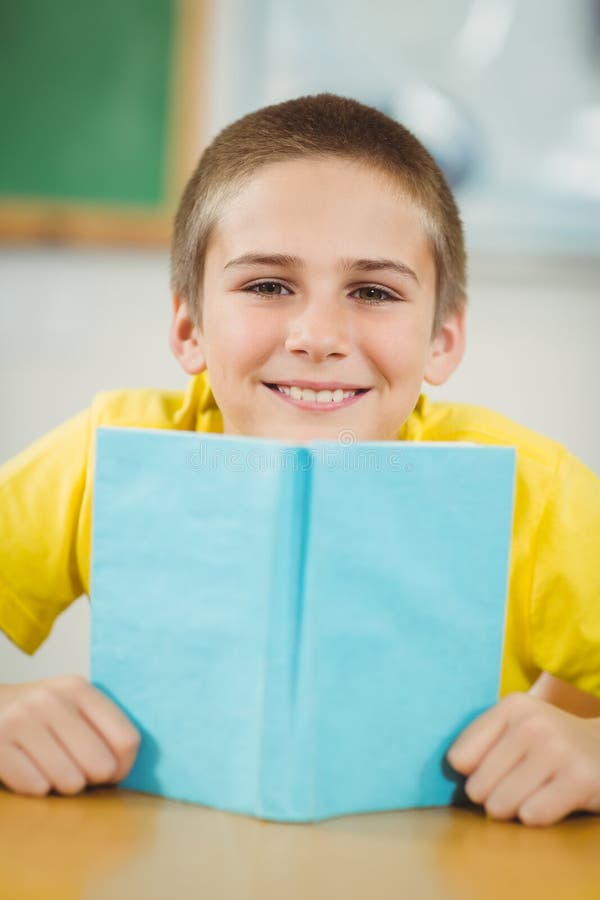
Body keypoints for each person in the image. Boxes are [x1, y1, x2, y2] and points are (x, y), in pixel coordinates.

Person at [0, 94, 599, 825]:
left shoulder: (532, 491)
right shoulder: (101, 457)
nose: (318, 335)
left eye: (373, 292)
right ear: (189, 325)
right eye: (268, 286)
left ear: (442, 338)